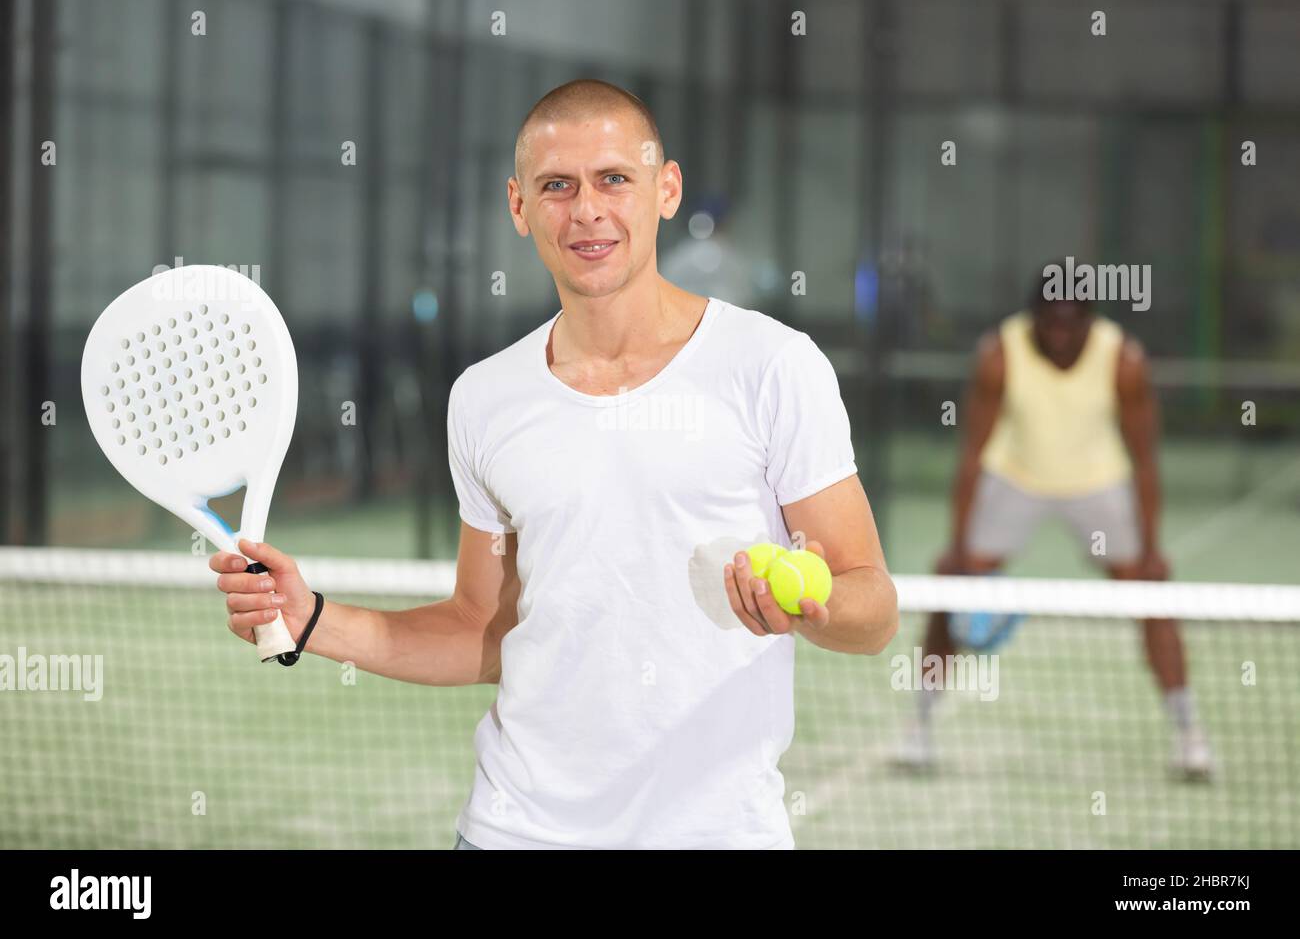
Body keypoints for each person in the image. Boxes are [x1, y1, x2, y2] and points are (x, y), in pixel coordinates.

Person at [211, 79, 898, 849]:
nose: (587, 210)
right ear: (520, 207)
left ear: (664, 190)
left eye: (614, 179)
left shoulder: (774, 365)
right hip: (513, 831)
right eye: (557, 186)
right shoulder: (483, 398)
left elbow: (872, 604)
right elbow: (485, 626)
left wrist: (817, 610)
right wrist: (314, 622)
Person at [897, 269, 1214, 780]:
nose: (1061, 336)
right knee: (950, 581)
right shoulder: (998, 355)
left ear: (1092, 320)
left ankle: (1189, 732)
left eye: (1073, 325)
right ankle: (919, 725)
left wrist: (1151, 548)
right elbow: (973, 450)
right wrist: (958, 546)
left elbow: (1145, 458)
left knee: (1152, 592)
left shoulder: (1124, 361)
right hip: (1016, 476)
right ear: (1034, 320)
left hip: (1098, 481)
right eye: (1050, 324)